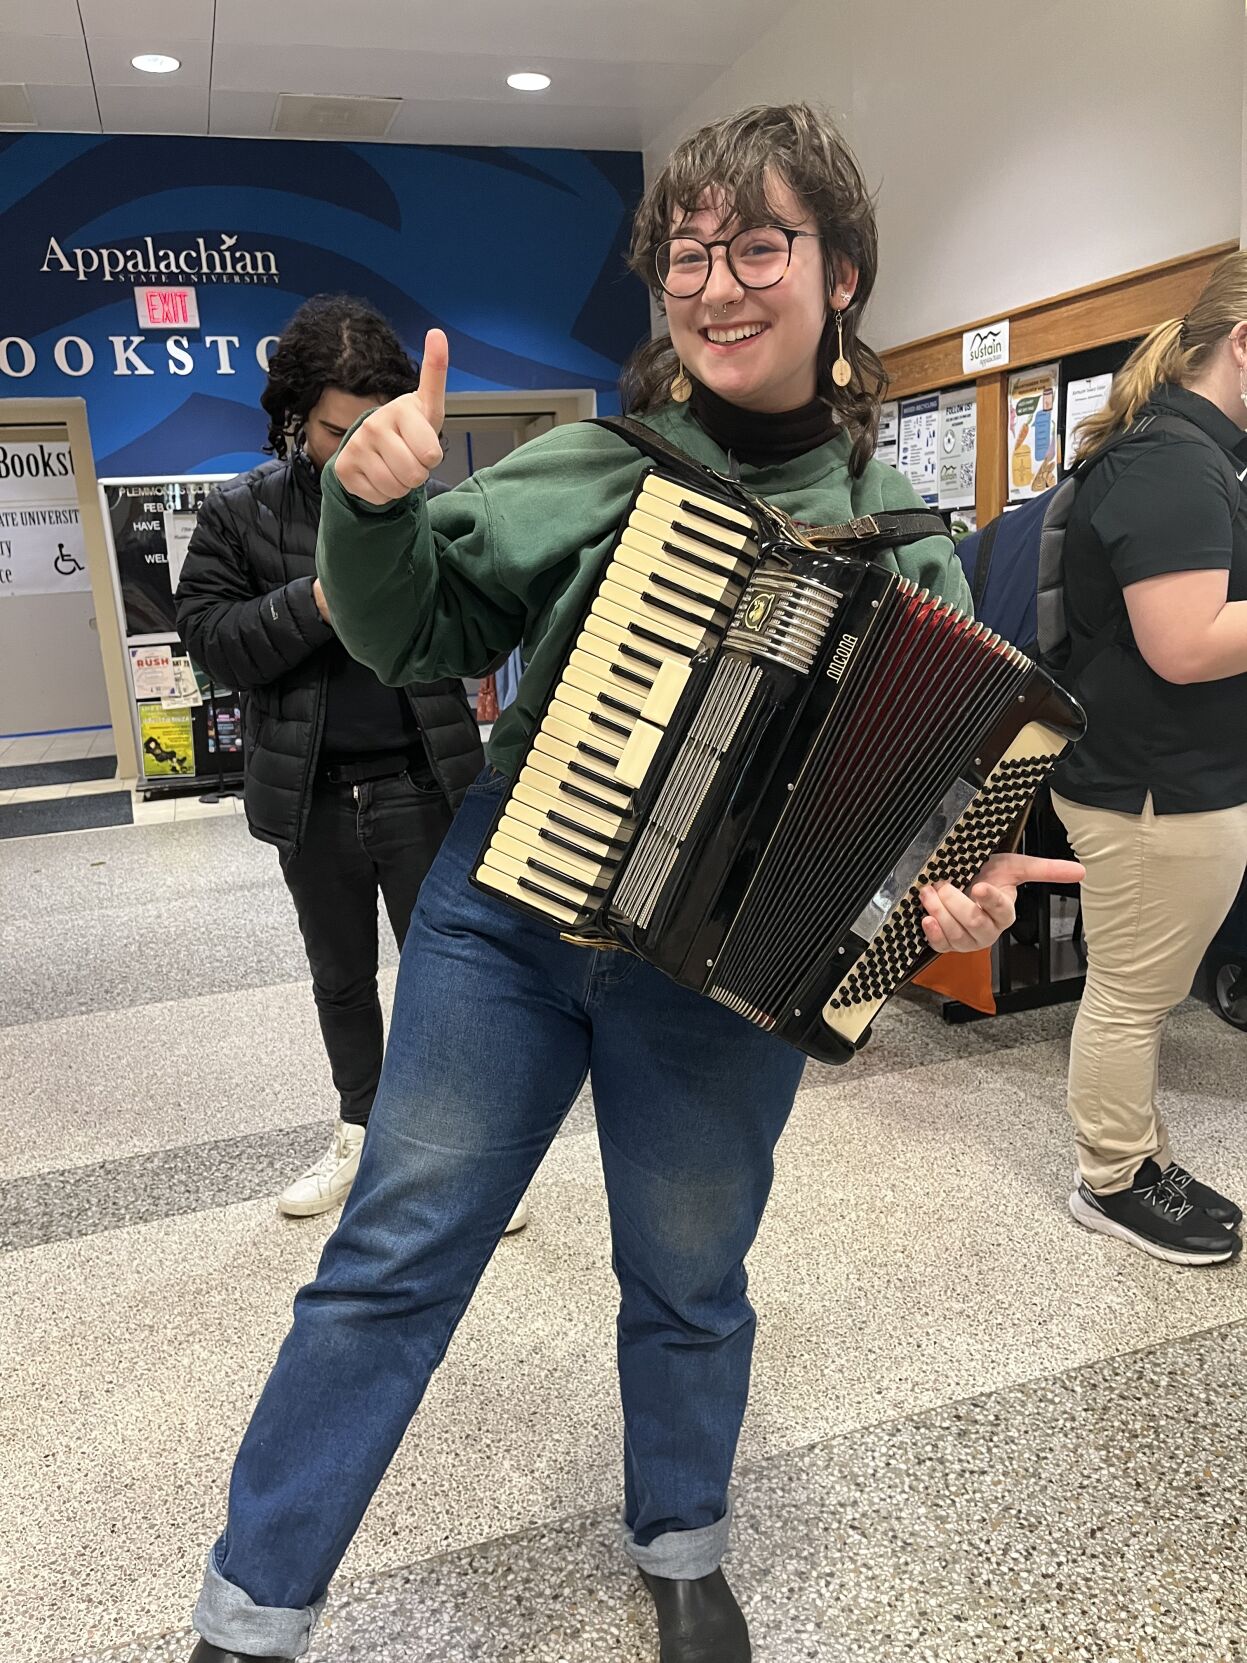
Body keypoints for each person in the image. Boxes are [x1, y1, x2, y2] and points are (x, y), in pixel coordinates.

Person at [187, 106, 1081, 1663]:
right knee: (393, 1251)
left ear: (840, 274)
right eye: (686, 254)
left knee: (688, 1268)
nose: (716, 284)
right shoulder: (599, 464)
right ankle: (249, 1610)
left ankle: (682, 1539)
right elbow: (410, 630)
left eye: (759, 246)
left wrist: (949, 903)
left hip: (715, 974)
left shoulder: (906, 545)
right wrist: (371, 508)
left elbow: (927, 834)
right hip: (505, 921)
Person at [176, 296, 528, 1233]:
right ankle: (361, 1133)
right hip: (314, 795)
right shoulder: (240, 512)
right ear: (296, 417)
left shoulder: (433, 506)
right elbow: (210, 641)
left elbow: (480, 638)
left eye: (376, 424)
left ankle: (459, 1155)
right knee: (340, 977)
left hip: (425, 780)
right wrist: (327, 600)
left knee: (450, 977)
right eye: (337, 431)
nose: (358, 450)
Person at [1051, 251, 1247, 1267]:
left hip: (1167, 778)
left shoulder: (1184, 452)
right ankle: (1112, 1178)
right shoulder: (1173, 462)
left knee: (1140, 988)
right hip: (1151, 786)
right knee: (1131, 995)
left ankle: (1136, 1157)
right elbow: (1183, 642)